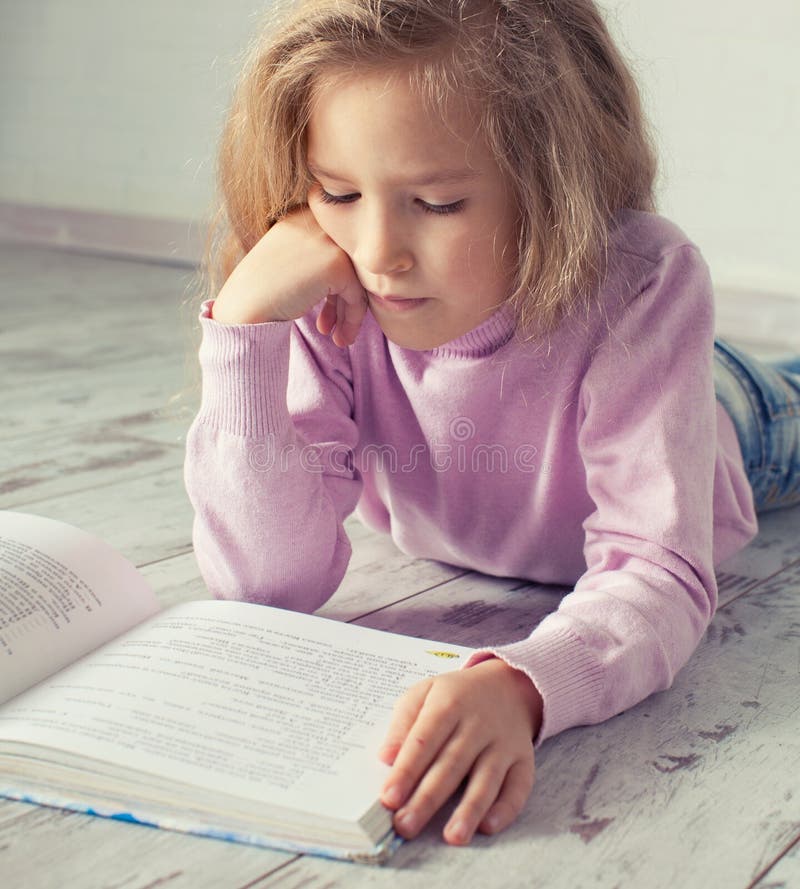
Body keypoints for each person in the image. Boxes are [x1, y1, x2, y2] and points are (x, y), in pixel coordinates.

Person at [184, 0, 800, 848]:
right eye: (337, 191)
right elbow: (265, 583)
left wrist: (526, 682)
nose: (378, 252)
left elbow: (658, 568)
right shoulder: (327, 294)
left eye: (437, 203)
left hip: (740, 422)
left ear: (555, 181)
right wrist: (245, 329)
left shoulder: (644, 279)